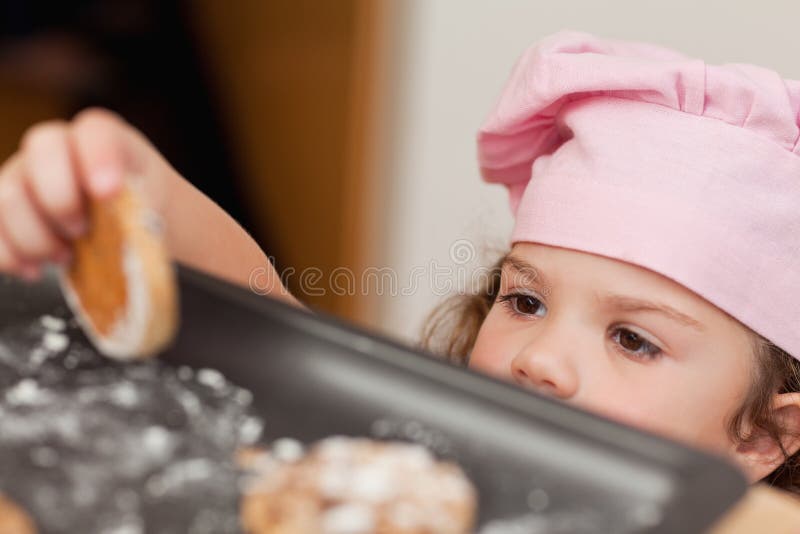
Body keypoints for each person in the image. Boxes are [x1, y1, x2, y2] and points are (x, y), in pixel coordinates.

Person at [1, 30, 799, 495]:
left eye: (633, 339)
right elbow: (275, 331)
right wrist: (136, 186)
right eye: (525, 303)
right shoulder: (425, 470)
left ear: (764, 435)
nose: (542, 361)